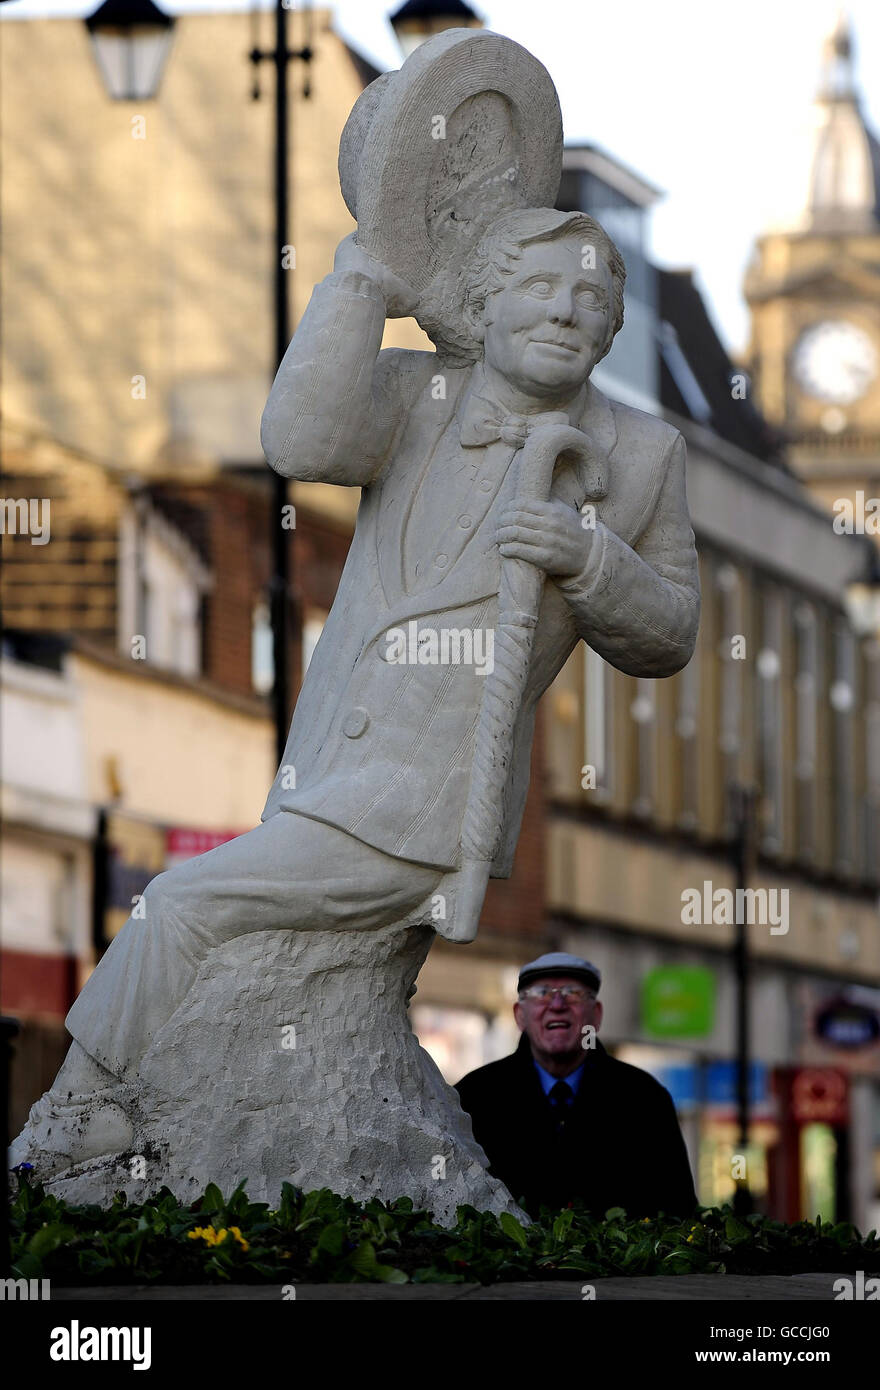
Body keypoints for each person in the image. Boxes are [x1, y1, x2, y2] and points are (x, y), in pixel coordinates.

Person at [12, 208, 700, 1176]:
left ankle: (85, 1106)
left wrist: (587, 557)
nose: (566, 312)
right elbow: (300, 435)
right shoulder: (416, 393)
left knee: (182, 904)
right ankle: (174, 1125)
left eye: (593, 297)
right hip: (331, 760)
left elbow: (669, 631)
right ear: (484, 304)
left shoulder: (639, 454)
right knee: (233, 942)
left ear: (614, 327)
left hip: (431, 797)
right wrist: (360, 290)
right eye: (539, 288)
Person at [455, 953, 698, 1220]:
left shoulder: (645, 1099)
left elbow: (679, 1212)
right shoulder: (473, 1097)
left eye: (573, 993)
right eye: (541, 993)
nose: (557, 1004)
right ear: (519, 1015)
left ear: (596, 1015)